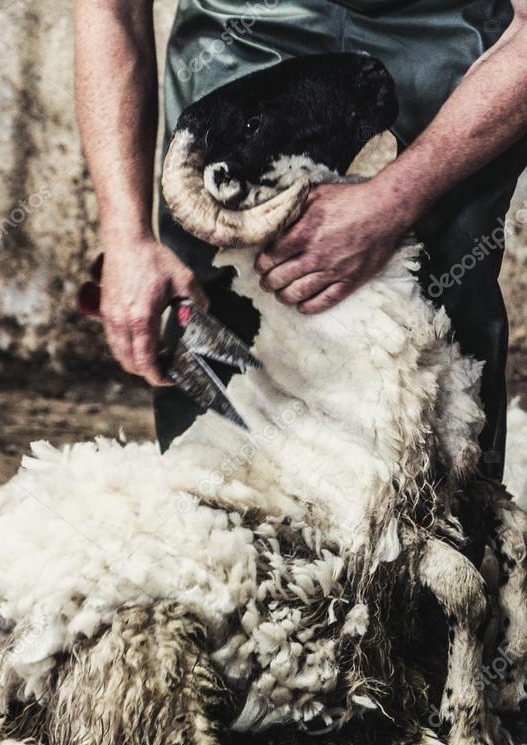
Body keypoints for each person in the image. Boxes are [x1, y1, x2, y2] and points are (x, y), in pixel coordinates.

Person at [75, 0, 527, 478]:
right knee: (226, 290)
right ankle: (226, 507)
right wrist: (127, 238)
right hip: (248, 20)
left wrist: (397, 198)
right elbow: (112, 9)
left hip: (445, 24)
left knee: (433, 329)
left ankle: (438, 518)